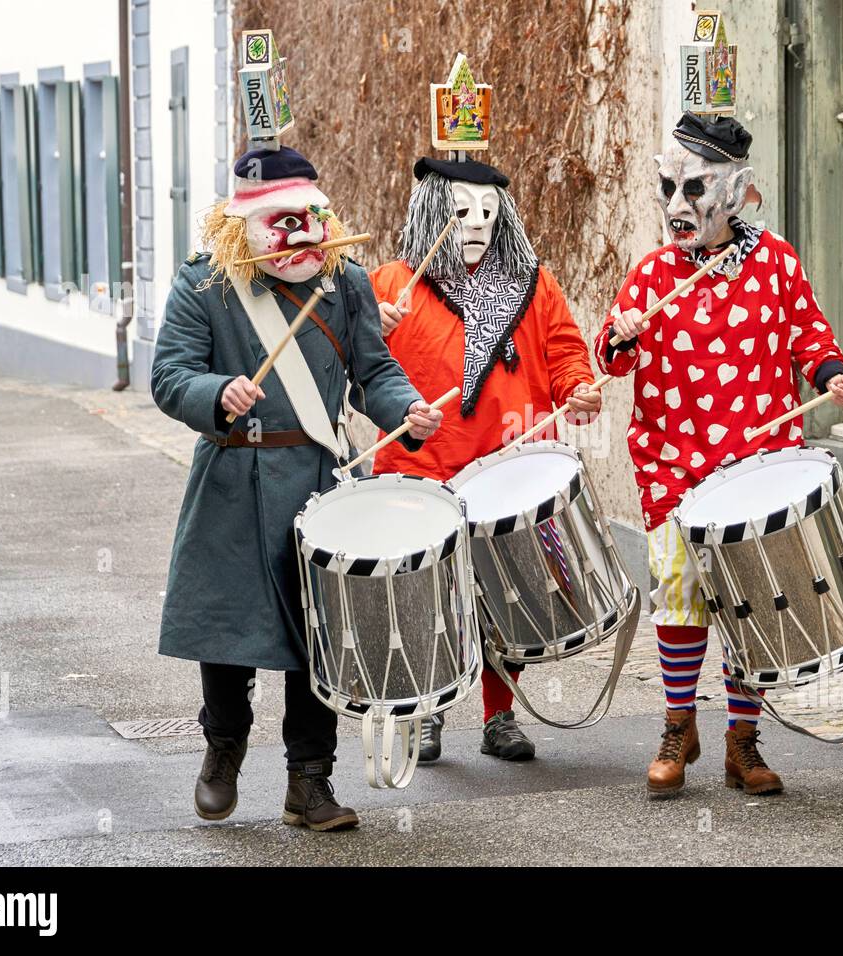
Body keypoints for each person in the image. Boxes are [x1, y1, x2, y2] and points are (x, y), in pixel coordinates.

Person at [151, 145, 443, 831]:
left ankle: (309, 785)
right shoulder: (205, 283)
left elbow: (374, 369)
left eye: (309, 216)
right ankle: (223, 748)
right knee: (228, 636)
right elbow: (170, 376)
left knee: (323, 640)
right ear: (247, 221)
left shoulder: (344, 282)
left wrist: (406, 411)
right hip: (233, 480)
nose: (301, 234)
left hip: (321, 481)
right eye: (282, 221)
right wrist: (218, 390)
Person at [595, 113, 843, 798]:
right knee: (682, 600)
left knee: (750, 602)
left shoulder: (775, 262)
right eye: (668, 189)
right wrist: (621, 334)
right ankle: (677, 726)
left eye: (695, 190)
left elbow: (809, 332)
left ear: (738, 191)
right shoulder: (652, 275)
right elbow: (613, 358)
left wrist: (832, 374)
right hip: (674, 468)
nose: (678, 207)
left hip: (756, 466)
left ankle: (741, 742)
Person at [371, 157, 602, 763]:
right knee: (426, 599)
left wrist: (579, 387)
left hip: (508, 469)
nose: (475, 223)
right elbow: (354, 366)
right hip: (419, 469)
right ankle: (425, 711)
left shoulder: (534, 283)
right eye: (460, 211)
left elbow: (565, 353)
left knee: (512, 596)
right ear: (432, 212)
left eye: (487, 211)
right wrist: (372, 325)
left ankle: (499, 716)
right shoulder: (393, 285)